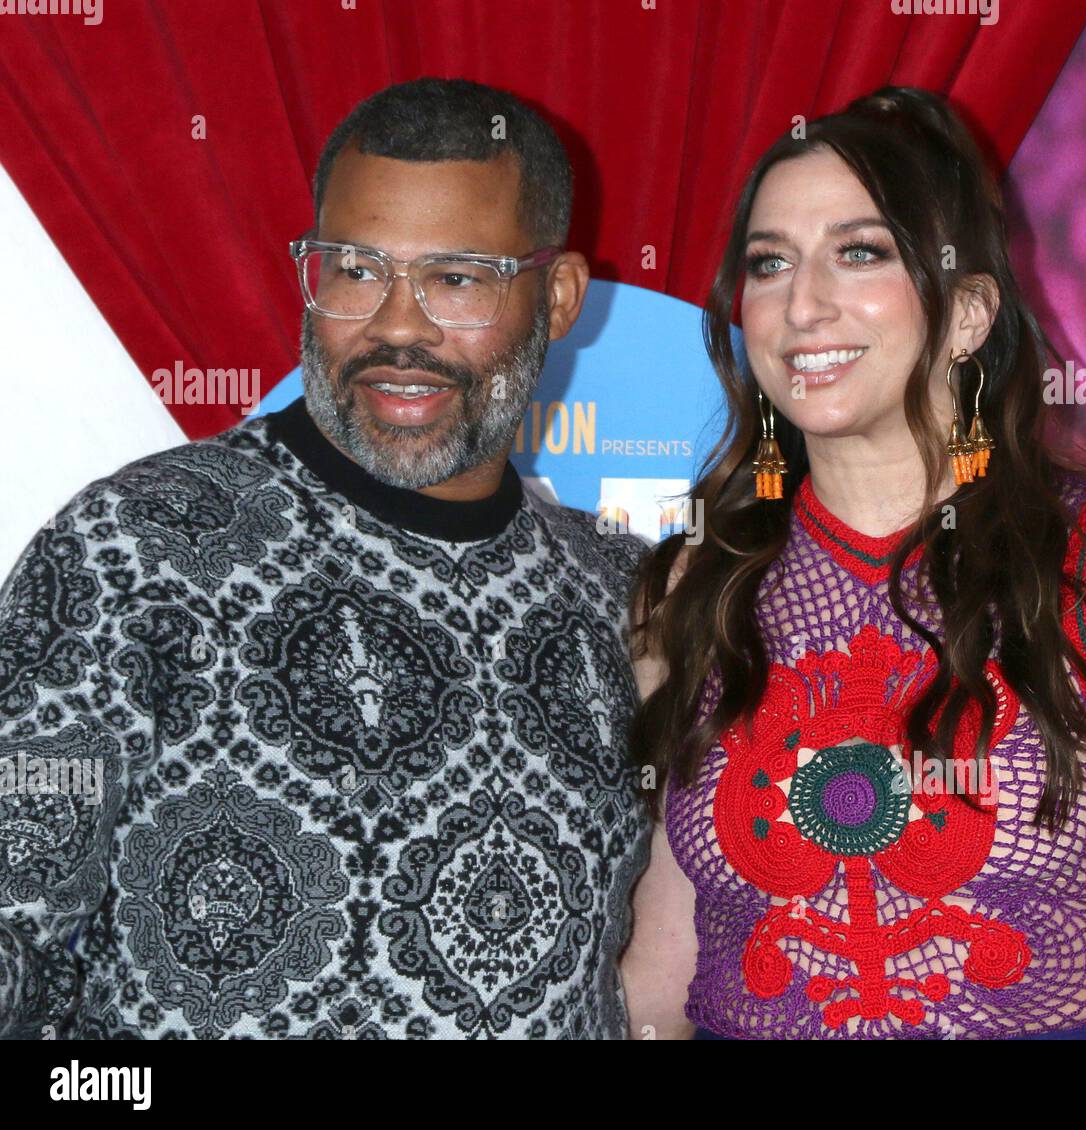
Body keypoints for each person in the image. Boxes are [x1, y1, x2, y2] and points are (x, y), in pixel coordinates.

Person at [0, 76, 650, 1040]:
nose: (398, 326)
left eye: (458, 278)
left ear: (557, 299)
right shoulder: (135, 548)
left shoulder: (622, 593)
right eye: (354, 269)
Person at [620, 86, 1086, 1040]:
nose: (802, 304)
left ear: (969, 313)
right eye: (769, 263)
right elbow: (665, 973)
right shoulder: (692, 588)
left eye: (860, 252)